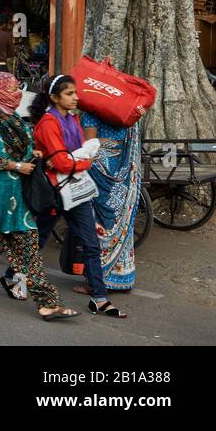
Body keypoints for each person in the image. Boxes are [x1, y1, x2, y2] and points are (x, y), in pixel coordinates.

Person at [0, 71, 79, 320]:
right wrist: (16, 166)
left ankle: (47, 304)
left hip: (17, 197)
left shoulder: (14, 119)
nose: (17, 94)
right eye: (11, 90)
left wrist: (35, 155)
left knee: (29, 250)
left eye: (16, 89)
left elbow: (27, 145)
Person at [8, 74, 130, 318]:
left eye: (75, 93)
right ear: (55, 98)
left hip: (76, 191)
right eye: (69, 94)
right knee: (38, 241)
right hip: (53, 192)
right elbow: (64, 161)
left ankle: (99, 298)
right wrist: (83, 160)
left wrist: (75, 159)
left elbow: (66, 159)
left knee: (91, 243)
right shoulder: (48, 123)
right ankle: (11, 277)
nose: (75, 98)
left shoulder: (73, 118)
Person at [85, 99, 147, 294]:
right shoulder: (128, 116)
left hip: (98, 174)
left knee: (97, 226)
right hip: (121, 177)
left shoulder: (91, 114)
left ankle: (98, 280)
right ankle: (122, 277)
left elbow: (90, 148)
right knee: (119, 223)